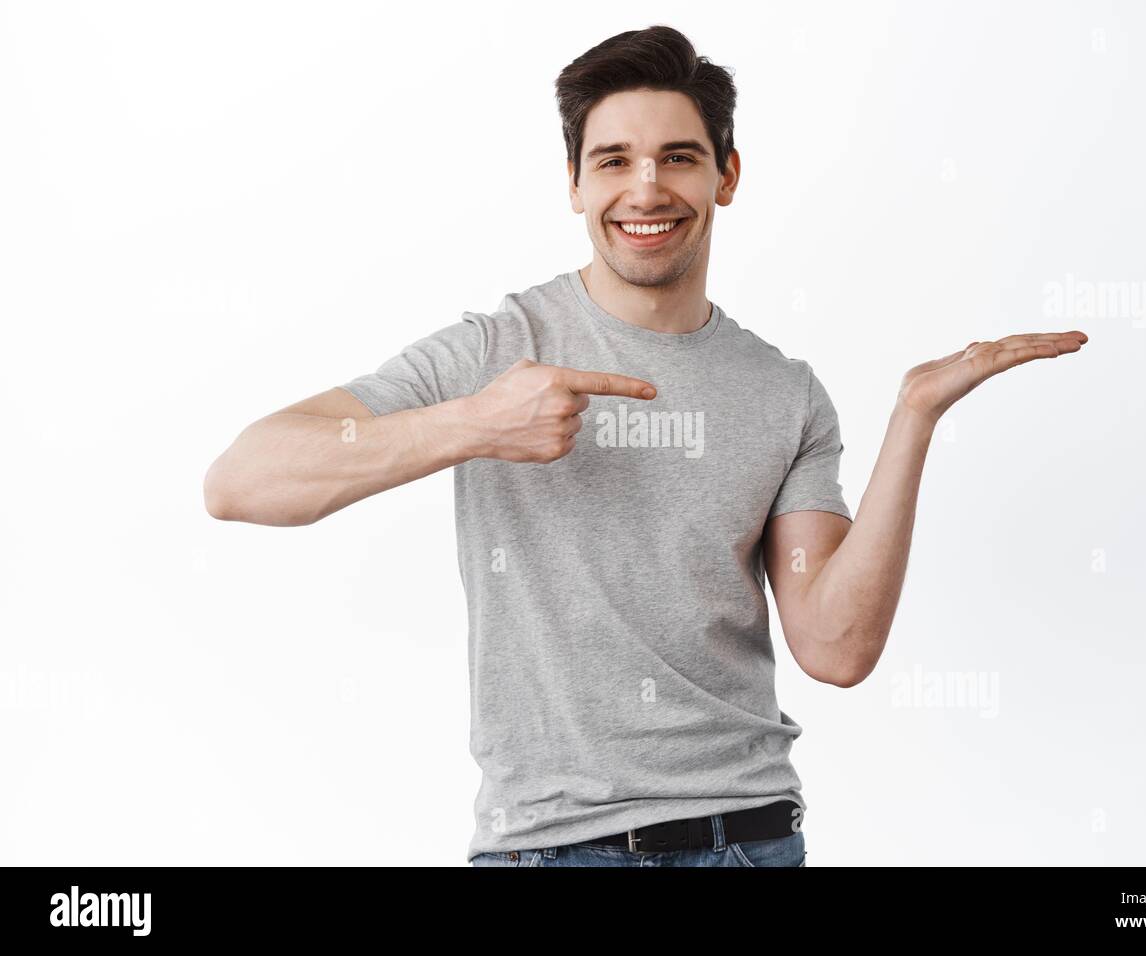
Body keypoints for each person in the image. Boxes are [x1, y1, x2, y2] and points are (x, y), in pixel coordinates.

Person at [202, 24, 1087, 868]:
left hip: (749, 837)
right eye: (614, 160)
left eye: (678, 157)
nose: (646, 189)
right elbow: (242, 480)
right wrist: (473, 425)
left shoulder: (787, 393)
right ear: (576, 184)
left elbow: (837, 647)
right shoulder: (493, 350)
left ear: (726, 175)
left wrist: (914, 418)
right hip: (545, 843)